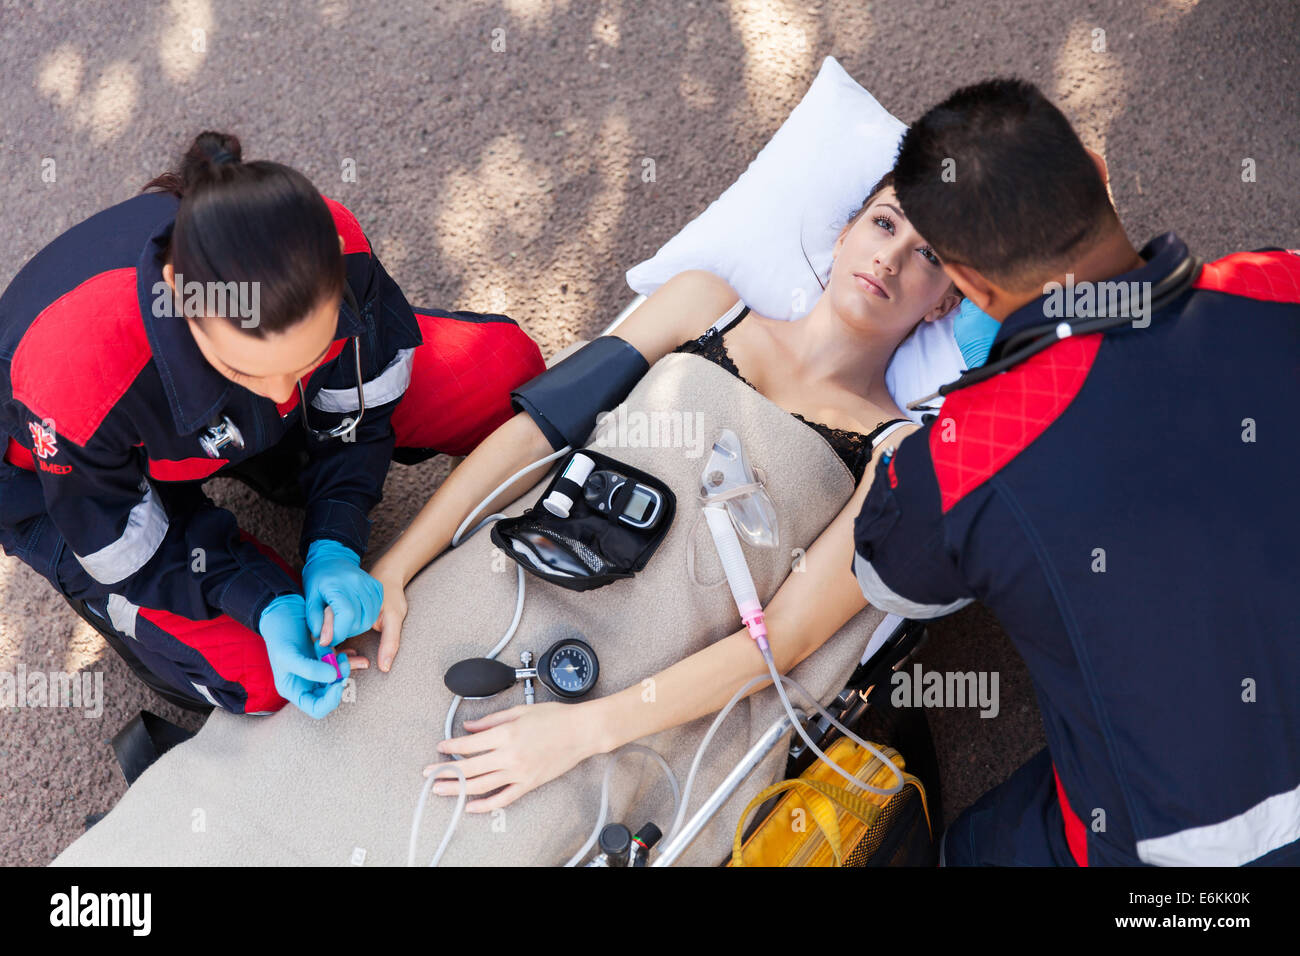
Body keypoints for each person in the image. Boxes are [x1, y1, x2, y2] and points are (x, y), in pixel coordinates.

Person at [353, 171, 961, 812]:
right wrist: (396, 564)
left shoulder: (897, 455)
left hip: (637, 701)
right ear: (845, 234)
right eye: (885, 223)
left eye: (929, 254)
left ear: (947, 301)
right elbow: (537, 435)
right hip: (514, 574)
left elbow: (786, 640)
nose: (889, 259)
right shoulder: (704, 306)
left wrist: (582, 733)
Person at [852, 78, 1300, 866]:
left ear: (970, 288)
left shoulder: (967, 452)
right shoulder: (1282, 283)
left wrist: (900, 466)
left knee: (976, 848)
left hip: (1190, 865)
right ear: (1097, 171)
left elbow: (886, 581)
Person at [0, 130, 545, 718]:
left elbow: (364, 414)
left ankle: (269, 451)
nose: (284, 394)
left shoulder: (336, 248)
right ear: (180, 299)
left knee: (503, 375)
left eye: (306, 360)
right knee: (260, 679)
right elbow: (133, 554)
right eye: (244, 369)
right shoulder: (77, 382)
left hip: (186, 419)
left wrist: (335, 540)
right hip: (62, 478)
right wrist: (265, 602)